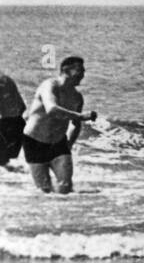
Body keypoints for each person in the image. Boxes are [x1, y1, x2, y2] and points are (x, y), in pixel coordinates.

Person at [21, 56, 97, 194]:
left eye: (84, 71)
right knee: (44, 191)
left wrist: (70, 144)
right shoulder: (50, 85)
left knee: (65, 189)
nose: (83, 75)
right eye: (79, 70)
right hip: (34, 142)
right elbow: (52, 109)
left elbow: (76, 125)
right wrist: (80, 116)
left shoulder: (77, 97)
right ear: (66, 70)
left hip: (58, 143)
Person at [0, 69, 25, 170]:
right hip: (15, 124)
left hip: (13, 124)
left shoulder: (4, 81)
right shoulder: (5, 80)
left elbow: (20, 109)